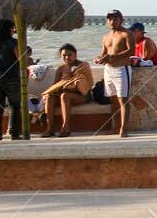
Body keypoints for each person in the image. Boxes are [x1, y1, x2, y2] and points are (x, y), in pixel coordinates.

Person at [37, 44, 94, 137]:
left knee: (65, 96)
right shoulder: (61, 69)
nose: (67, 57)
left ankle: (66, 127)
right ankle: (50, 128)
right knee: (49, 97)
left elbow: (88, 85)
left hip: (82, 95)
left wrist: (69, 83)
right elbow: (55, 85)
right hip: (64, 94)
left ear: (75, 54)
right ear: (61, 56)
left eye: (70, 55)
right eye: (64, 55)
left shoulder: (84, 66)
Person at [95, 9, 134, 137]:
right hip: (108, 70)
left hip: (122, 70)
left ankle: (124, 129)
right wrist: (99, 58)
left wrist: (112, 57)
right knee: (113, 100)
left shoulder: (127, 34)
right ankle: (115, 127)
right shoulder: (106, 36)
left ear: (121, 20)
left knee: (122, 99)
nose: (112, 21)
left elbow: (131, 51)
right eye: (110, 19)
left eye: (115, 19)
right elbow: (104, 52)